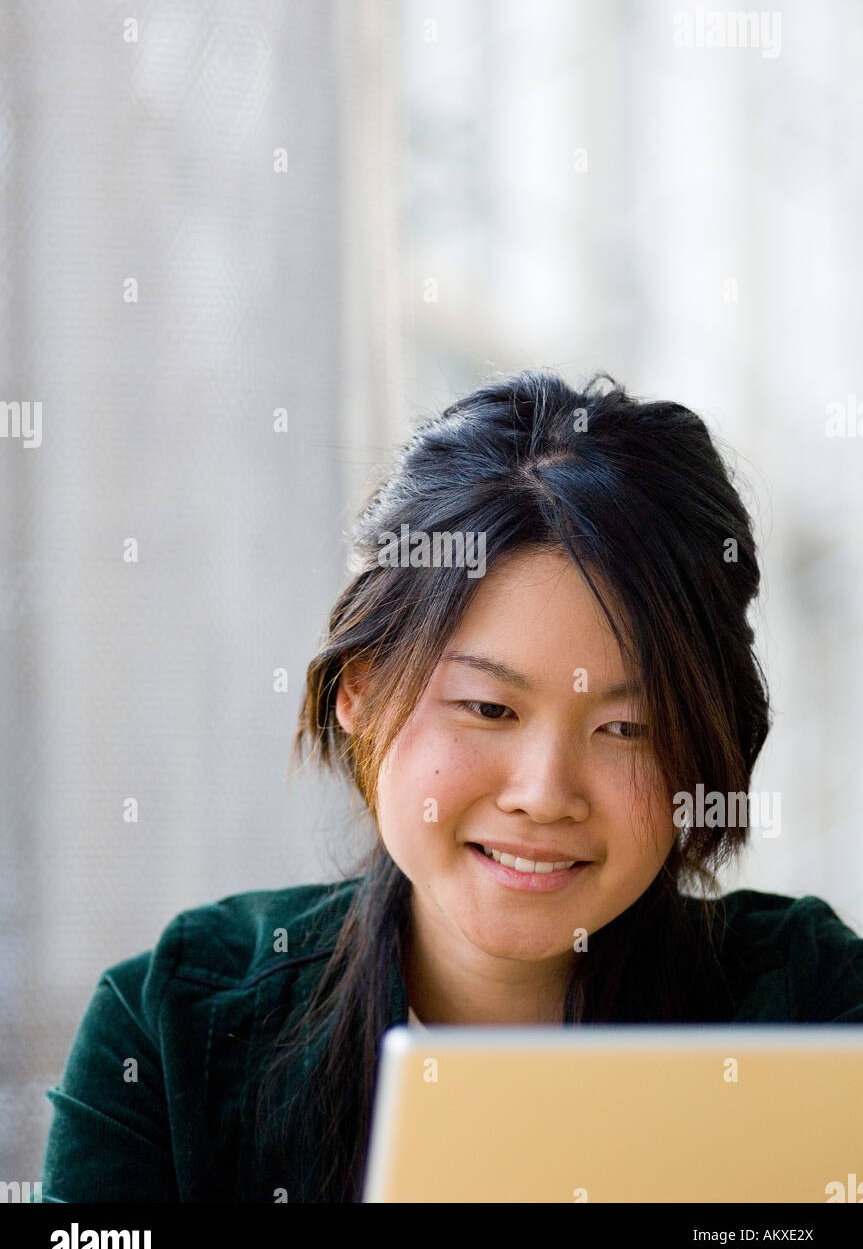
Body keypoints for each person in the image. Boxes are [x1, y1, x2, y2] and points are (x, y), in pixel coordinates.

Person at [37, 369, 863, 1204]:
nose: (544, 794)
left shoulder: (811, 1008)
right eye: (488, 707)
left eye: (626, 728)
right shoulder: (175, 1028)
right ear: (358, 691)